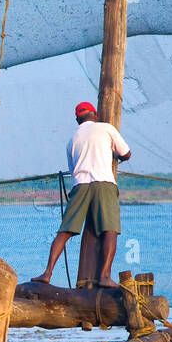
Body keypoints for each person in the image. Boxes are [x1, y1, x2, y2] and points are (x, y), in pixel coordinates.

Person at [31, 100, 131, 288]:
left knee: (65, 231)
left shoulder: (72, 140)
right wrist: (114, 155)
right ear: (95, 115)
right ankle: (104, 276)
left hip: (80, 185)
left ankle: (47, 273)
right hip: (103, 183)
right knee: (110, 230)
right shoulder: (106, 128)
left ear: (78, 119)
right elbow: (126, 153)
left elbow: (73, 169)